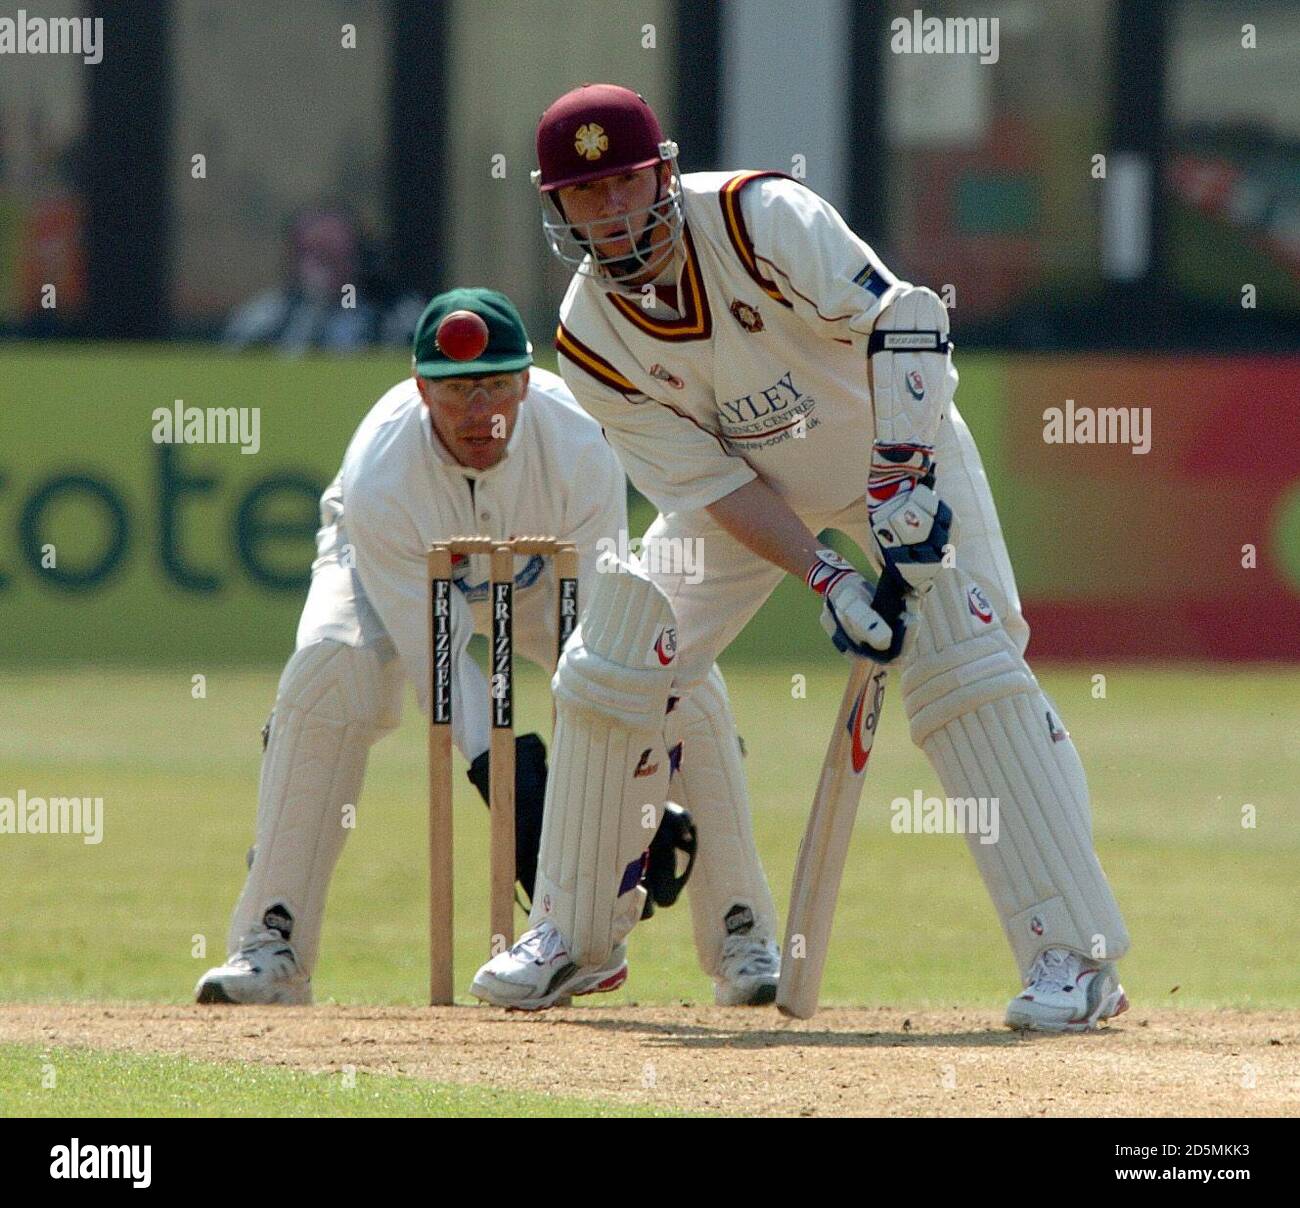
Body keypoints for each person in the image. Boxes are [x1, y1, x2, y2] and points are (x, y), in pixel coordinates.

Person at [471, 85, 1130, 1033]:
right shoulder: (591, 340)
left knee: (968, 672)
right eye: (586, 194)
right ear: (558, 208)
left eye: (625, 183)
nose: (612, 211)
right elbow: (707, 488)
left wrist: (902, 475)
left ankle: (1072, 955)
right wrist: (826, 575)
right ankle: (576, 936)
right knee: (613, 653)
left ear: (663, 173)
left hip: (905, 447)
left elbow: (906, 321)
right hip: (763, 495)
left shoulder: (758, 217)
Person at [196, 288, 702, 1005]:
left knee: (678, 679)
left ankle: (745, 940)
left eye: (497, 384)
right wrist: (518, 794)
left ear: (528, 382)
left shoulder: (581, 441)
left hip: (537, 583)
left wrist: (617, 807)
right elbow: (441, 663)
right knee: (329, 673)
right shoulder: (382, 471)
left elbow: (598, 638)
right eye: (457, 389)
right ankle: (271, 943)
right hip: (380, 569)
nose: (480, 410)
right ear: (421, 390)